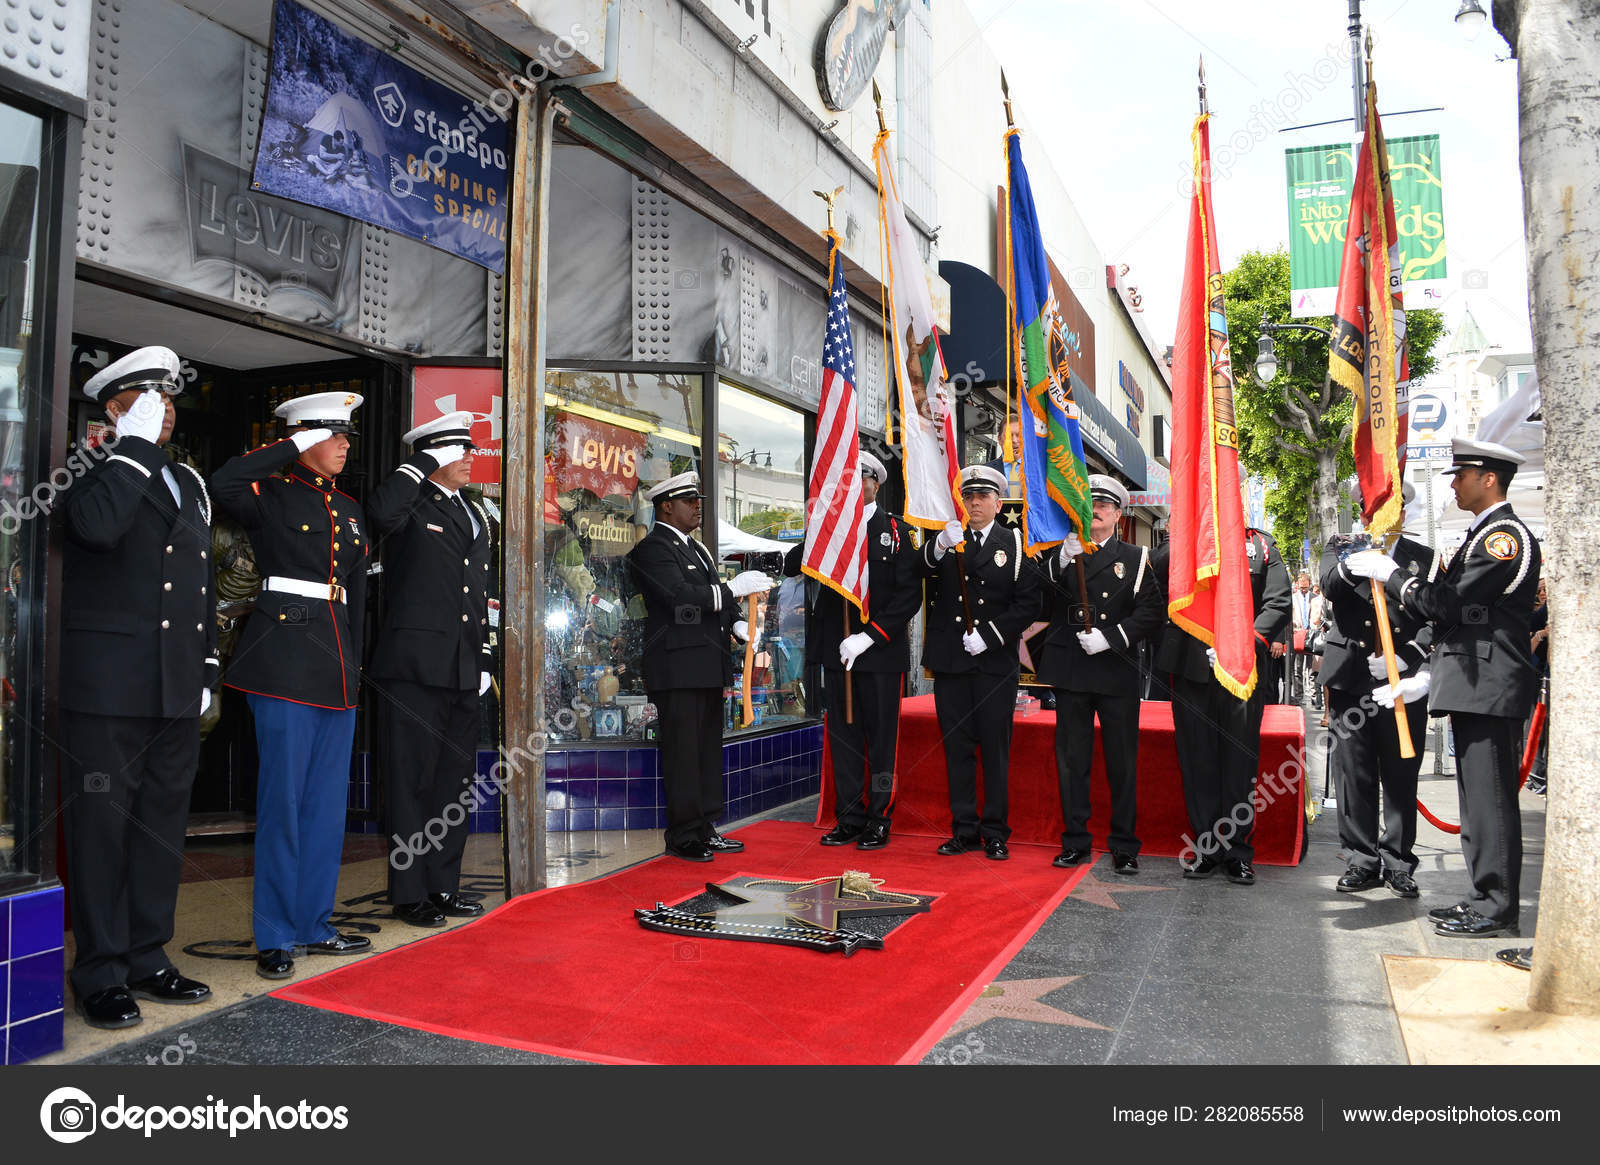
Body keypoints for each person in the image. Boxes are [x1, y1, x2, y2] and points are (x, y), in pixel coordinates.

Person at [59, 347, 216, 1028]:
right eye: (148, 394)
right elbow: (96, 528)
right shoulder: (86, 469)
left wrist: (207, 667)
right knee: (102, 829)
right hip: (107, 686)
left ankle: (148, 954)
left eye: (170, 394)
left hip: (174, 685)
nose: (166, 404)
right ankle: (98, 967)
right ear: (114, 404)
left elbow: (199, 586)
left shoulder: (189, 478)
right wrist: (131, 449)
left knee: (160, 827)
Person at [1346, 438, 1540, 938]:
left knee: (1490, 802)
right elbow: (1469, 621)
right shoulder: (1486, 533)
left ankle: (1496, 906)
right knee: (1477, 802)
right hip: (1476, 682)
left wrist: (1394, 577)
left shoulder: (1504, 537)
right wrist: (1427, 676)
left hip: (1490, 685)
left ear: (1489, 479)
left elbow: (1448, 607)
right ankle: (1483, 897)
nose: (1454, 483)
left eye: (1463, 474)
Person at [212, 391, 373, 979]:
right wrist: (289, 445)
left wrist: (353, 666)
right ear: (306, 438)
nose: (346, 445)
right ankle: (276, 935)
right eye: (335, 435)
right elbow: (222, 481)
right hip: (280, 664)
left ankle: (314, 924)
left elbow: (352, 594)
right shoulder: (269, 494)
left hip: (335, 666)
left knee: (326, 809)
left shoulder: (351, 510)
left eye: (347, 435)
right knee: (281, 805)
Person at [367, 412, 492, 928]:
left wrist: (483, 658)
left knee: (452, 784)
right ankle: (410, 891)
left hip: (463, 667)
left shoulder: (477, 511)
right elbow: (378, 512)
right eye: (456, 451)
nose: (468, 459)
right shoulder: (410, 503)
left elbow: (479, 595)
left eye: (469, 450)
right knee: (409, 782)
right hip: (413, 667)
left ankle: (443, 884)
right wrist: (420, 464)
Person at [626, 472, 771, 861]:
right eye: (689, 501)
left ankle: (706, 827)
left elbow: (713, 602)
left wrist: (737, 622)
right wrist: (730, 590)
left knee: (706, 751)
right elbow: (680, 599)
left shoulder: (699, 550)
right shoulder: (652, 549)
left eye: (697, 500)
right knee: (683, 754)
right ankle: (684, 834)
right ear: (666, 506)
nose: (697, 507)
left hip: (707, 665)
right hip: (677, 669)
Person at [783, 452, 921, 850]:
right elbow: (794, 565)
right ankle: (848, 817)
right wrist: (821, 529)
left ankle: (879, 816)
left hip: (878, 654)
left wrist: (869, 636)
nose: (853, 487)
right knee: (844, 740)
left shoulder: (897, 531)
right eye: (845, 481)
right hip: (837, 654)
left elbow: (908, 596)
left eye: (861, 479)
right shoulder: (830, 531)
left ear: (876, 484)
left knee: (881, 742)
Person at [1037, 476, 1164, 873]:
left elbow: (1150, 613)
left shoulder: (1137, 556)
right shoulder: (1063, 554)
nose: (1099, 512)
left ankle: (1124, 844)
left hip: (1115, 669)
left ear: (1119, 514)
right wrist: (1060, 559)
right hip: (1073, 669)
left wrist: (1112, 638)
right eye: (1092, 506)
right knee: (1073, 762)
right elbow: (1039, 598)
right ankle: (1075, 840)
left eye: (1107, 506)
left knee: (1121, 762)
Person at [1155, 525, 1292, 885]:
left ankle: (1237, 851)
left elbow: (1278, 601)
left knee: (1238, 761)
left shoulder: (1261, 545)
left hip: (1241, 668)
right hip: (1191, 665)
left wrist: (1242, 644)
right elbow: (1157, 573)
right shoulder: (1181, 537)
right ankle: (1205, 848)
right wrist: (1189, 537)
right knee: (1196, 759)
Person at [1320, 488, 1439, 899]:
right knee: (1354, 773)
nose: (1386, 513)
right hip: (1353, 675)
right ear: (1364, 509)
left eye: (1394, 506)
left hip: (1400, 680)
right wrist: (1357, 565)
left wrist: (1409, 655)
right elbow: (1330, 587)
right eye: (1376, 505)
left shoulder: (1422, 556)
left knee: (1401, 772)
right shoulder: (1340, 547)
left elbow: (1434, 614)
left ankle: (1399, 862)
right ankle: (1361, 860)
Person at [921, 464, 1042, 860]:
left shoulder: (1016, 544)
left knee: (993, 749)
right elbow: (916, 575)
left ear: (997, 501)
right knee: (957, 749)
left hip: (993, 664)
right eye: (969, 496)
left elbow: (1030, 603)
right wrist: (938, 546)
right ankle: (964, 829)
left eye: (983, 496)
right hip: (953, 662)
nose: (975, 502)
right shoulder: (948, 540)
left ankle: (994, 831)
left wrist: (990, 635)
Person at [1526, 575, 1549, 795]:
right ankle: (1536, 774)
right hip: (1537, 676)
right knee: (1536, 729)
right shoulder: (1536, 617)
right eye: (1541, 590)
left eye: (1546, 589)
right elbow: (1527, 650)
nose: (1543, 593)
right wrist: (1542, 634)